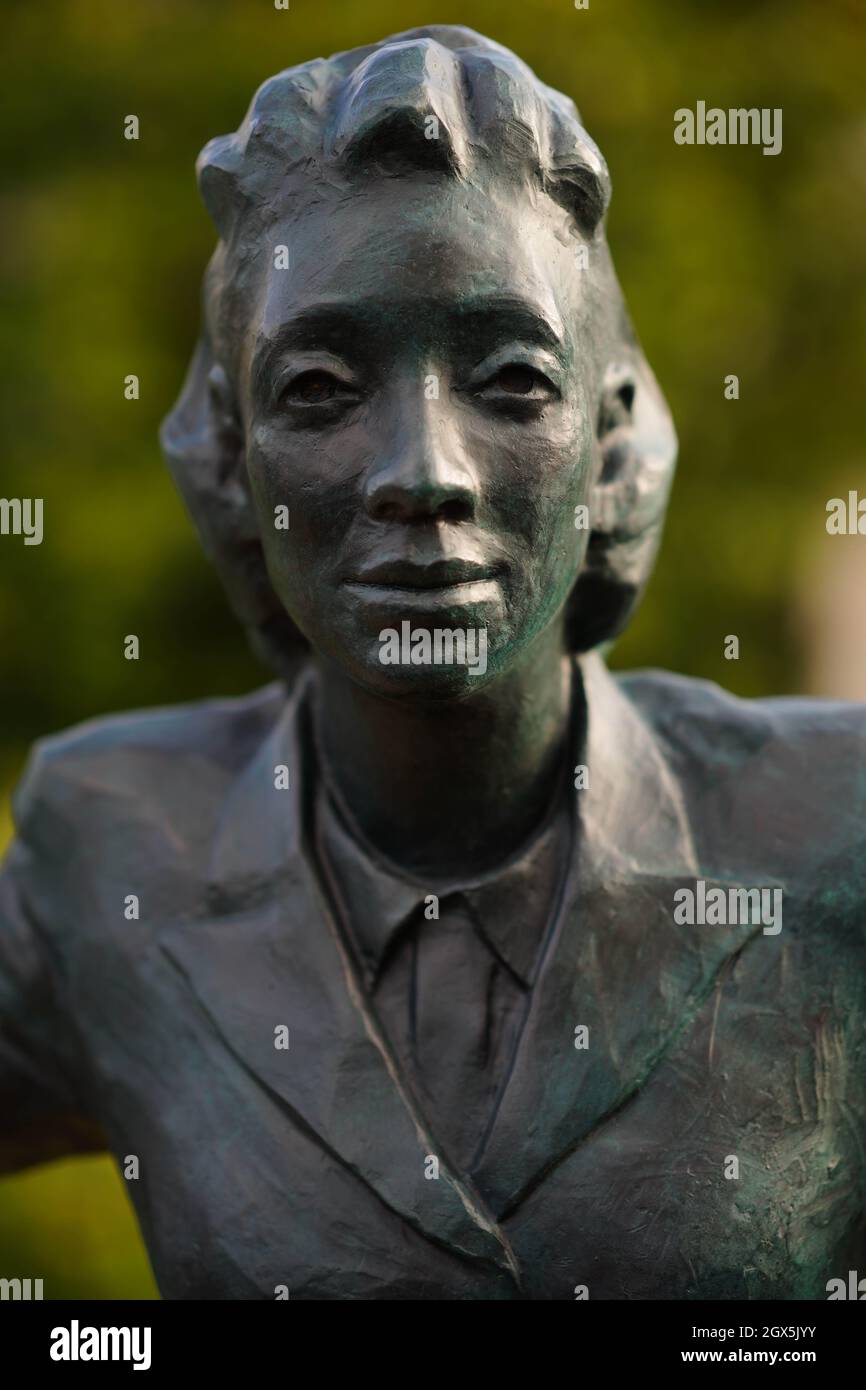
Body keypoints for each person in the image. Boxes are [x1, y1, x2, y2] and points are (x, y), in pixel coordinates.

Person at [1, 25, 864, 1300]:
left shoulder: (832, 839)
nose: (423, 473)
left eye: (510, 377)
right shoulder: (112, 849)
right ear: (231, 461)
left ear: (612, 443)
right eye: (318, 388)